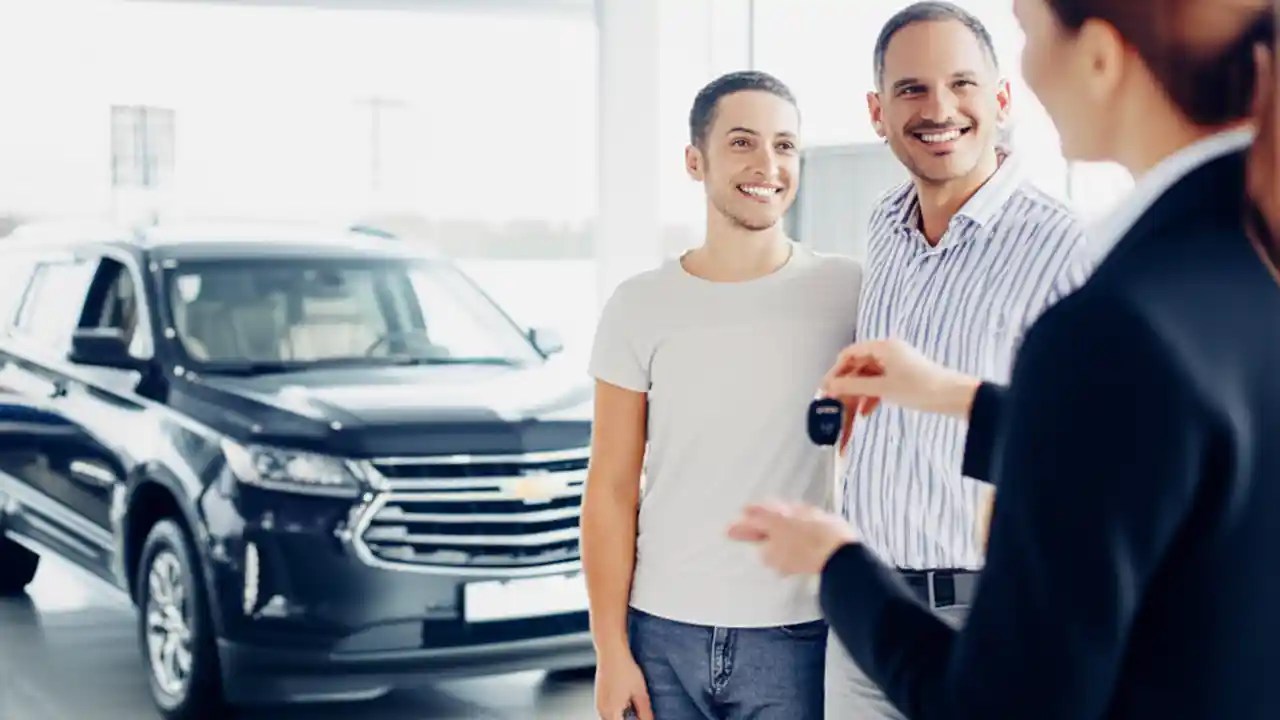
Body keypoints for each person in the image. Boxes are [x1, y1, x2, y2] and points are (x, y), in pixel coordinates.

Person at [730, 1, 1279, 718]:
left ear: (1099, 58)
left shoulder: (1109, 315)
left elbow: (996, 707)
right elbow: (1138, 443)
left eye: (1027, 33)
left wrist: (834, 561)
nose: (944, 106)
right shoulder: (1241, 268)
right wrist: (956, 396)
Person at [824, 4, 1090, 718]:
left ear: (1000, 100)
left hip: (989, 621)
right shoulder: (884, 226)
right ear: (877, 113)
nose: (939, 109)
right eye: (911, 89)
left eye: (961, 84)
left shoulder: (1067, 248)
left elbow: (1091, 445)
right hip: (863, 614)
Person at [582, 70, 862, 720]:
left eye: (785, 145)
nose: (768, 164)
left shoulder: (849, 292)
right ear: (695, 160)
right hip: (659, 636)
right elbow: (611, 488)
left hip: (798, 633)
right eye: (742, 142)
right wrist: (609, 650)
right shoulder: (639, 305)